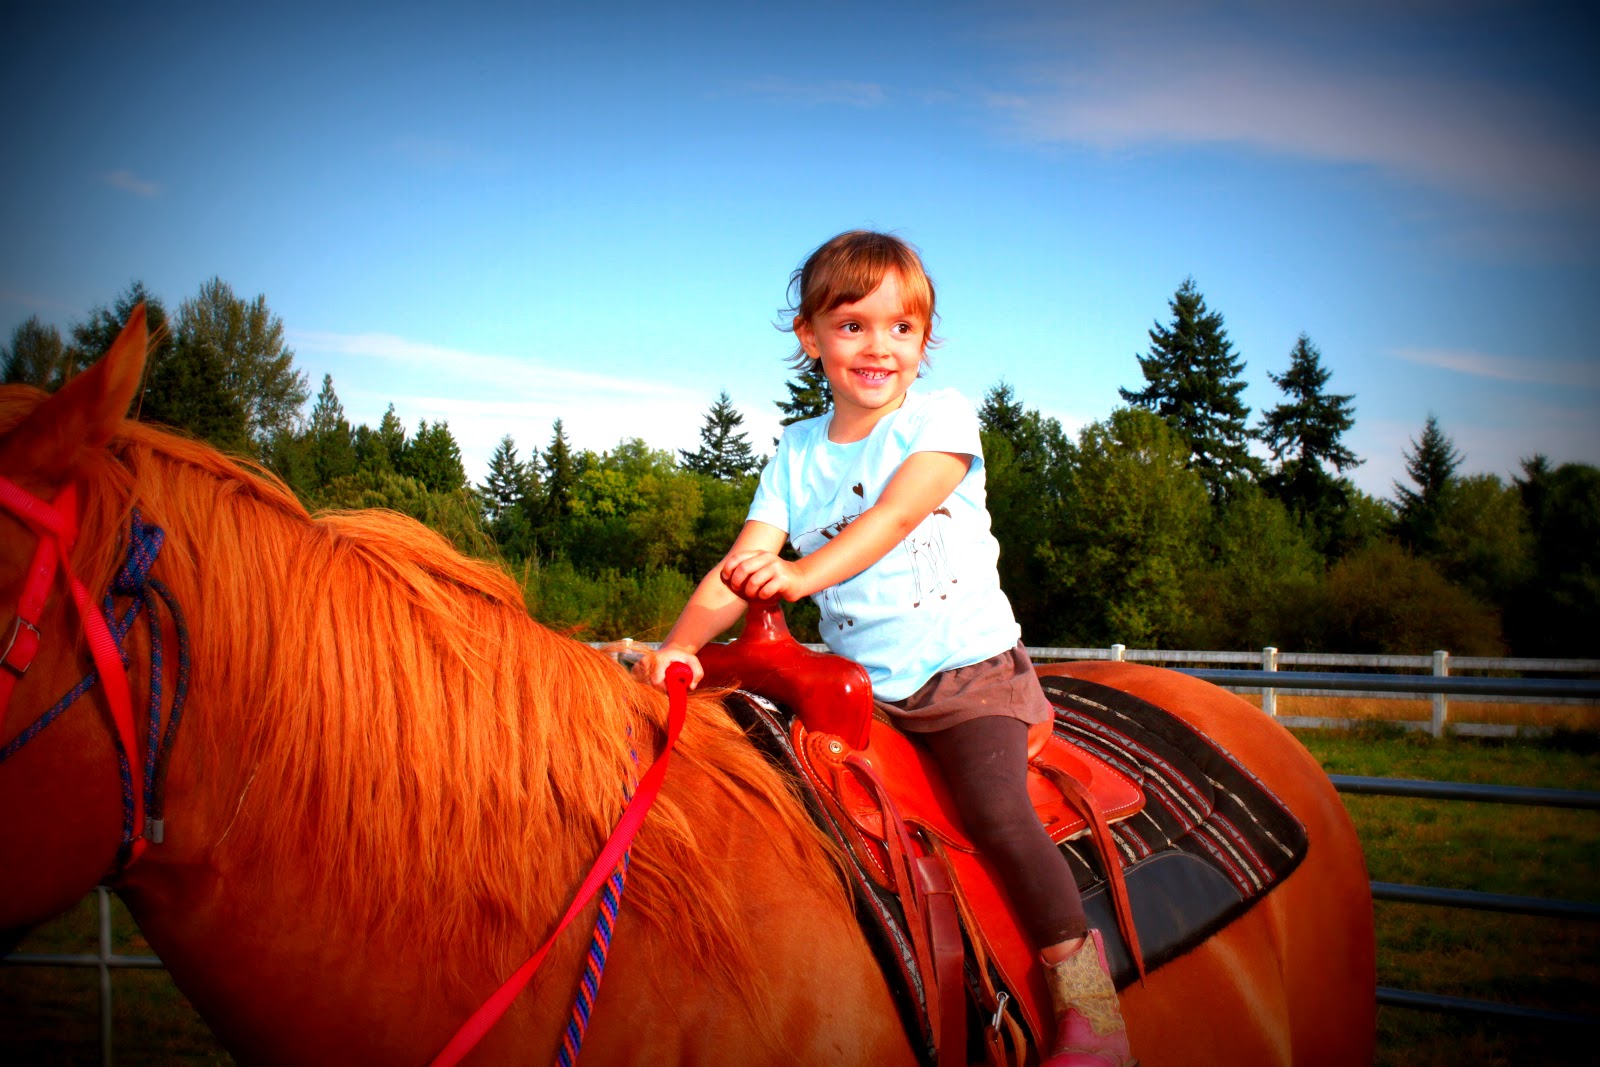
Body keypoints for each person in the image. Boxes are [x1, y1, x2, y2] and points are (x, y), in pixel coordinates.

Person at [638, 231, 1134, 1067]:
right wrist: (682, 645)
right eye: (853, 325)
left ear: (924, 342)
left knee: (997, 811)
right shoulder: (795, 452)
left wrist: (798, 574)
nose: (879, 347)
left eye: (901, 329)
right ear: (810, 338)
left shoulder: (939, 418)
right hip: (862, 684)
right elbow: (740, 567)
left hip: (967, 676)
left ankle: (1091, 1008)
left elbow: (895, 516)